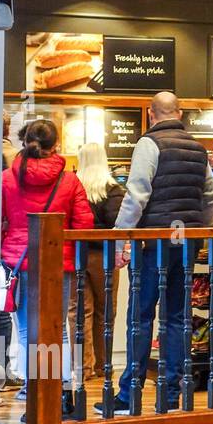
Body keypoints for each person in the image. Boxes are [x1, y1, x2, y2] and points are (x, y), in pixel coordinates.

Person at [103, 92, 213, 414]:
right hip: (185, 243)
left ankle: (130, 393)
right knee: (176, 318)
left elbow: (136, 196)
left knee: (140, 317)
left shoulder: (148, 144)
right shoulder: (198, 148)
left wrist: (119, 240)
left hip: (152, 242)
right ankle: (171, 393)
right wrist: (201, 227)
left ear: (150, 113)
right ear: (179, 113)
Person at [0, 120, 97, 413]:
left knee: (28, 330)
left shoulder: (7, 178)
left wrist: (9, 241)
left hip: (18, 261)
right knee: (59, 331)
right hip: (58, 263)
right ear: (56, 145)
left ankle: (34, 391)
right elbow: (85, 223)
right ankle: (62, 390)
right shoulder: (69, 180)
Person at [75, 142, 126, 379]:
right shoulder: (113, 189)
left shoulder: (72, 186)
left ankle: (83, 367)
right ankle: (103, 365)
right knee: (105, 312)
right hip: (104, 256)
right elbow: (119, 224)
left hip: (77, 254)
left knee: (80, 312)